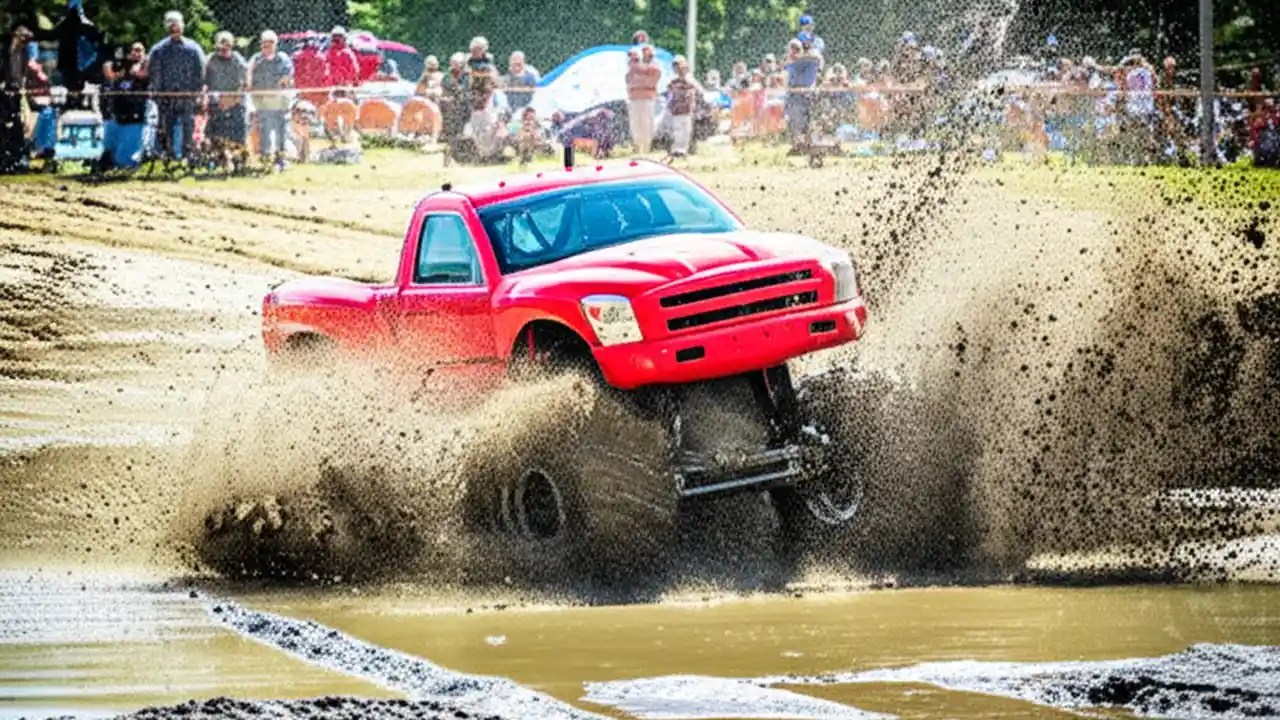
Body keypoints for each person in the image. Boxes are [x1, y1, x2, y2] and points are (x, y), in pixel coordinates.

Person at [148, 11, 205, 161]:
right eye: (171, 26)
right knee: (165, 129)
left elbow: (199, 74)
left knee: (188, 128)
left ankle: (189, 157)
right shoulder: (158, 50)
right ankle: (166, 158)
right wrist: (158, 96)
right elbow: (155, 75)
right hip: (166, 98)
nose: (175, 29)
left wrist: (195, 94)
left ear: (182, 26)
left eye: (177, 26)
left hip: (187, 97)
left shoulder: (194, 49)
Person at [248, 29, 293, 169]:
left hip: (280, 102)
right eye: (264, 43)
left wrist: (276, 88)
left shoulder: (283, 59)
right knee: (265, 130)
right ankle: (266, 158)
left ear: (275, 44)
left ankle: (281, 159)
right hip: (263, 103)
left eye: (270, 43)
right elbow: (249, 78)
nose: (266, 46)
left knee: (282, 131)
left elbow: (287, 76)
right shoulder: (256, 60)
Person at [101, 41, 150, 169]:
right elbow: (109, 73)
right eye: (134, 50)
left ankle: (129, 165)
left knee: (127, 154)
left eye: (140, 50)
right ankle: (110, 163)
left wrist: (137, 67)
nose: (136, 53)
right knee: (112, 147)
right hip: (117, 112)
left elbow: (144, 74)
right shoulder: (122, 67)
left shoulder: (146, 65)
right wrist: (121, 68)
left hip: (136, 114)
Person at [204, 30, 249, 166]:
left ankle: (239, 162)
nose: (223, 49)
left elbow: (244, 84)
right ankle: (217, 161)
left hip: (236, 104)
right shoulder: (210, 60)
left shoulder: (238, 61)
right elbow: (205, 81)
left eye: (227, 46)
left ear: (231, 46)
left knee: (237, 136)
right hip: (216, 104)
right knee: (215, 135)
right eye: (221, 46)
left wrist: (231, 100)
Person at [784, 33, 823, 152]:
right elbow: (786, 61)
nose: (808, 45)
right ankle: (798, 147)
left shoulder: (812, 56)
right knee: (796, 123)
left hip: (808, 94)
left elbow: (817, 57)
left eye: (808, 43)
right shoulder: (792, 60)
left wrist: (799, 54)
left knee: (812, 123)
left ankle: (813, 147)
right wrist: (793, 53)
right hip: (795, 95)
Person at [625, 45, 661, 154]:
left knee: (646, 124)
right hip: (634, 99)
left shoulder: (654, 66)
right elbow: (628, 80)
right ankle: (637, 148)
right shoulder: (631, 69)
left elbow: (653, 78)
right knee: (635, 124)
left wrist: (638, 72)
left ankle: (646, 149)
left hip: (647, 99)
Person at [665, 55, 699, 157]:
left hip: (686, 109)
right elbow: (668, 93)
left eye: (679, 65)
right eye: (675, 65)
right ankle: (676, 149)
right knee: (676, 130)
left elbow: (697, 90)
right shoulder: (673, 81)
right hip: (675, 109)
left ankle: (683, 150)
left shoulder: (689, 79)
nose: (678, 68)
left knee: (685, 129)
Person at [292, 33, 327, 108]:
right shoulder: (321, 57)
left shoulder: (297, 56)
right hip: (318, 92)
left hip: (304, 91)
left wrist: (298, 88)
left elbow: (295, 75)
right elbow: (325, 75)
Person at [465, 36, 496, 113]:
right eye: (473, 49)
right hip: (470, 88)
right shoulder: (468, 59)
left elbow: (492, 74)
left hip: (483, 88)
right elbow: (465, 71)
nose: (474, 51)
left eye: (478, 49)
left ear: (483, 50)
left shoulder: (488, 61)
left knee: (488, 84)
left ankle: (484, 106)